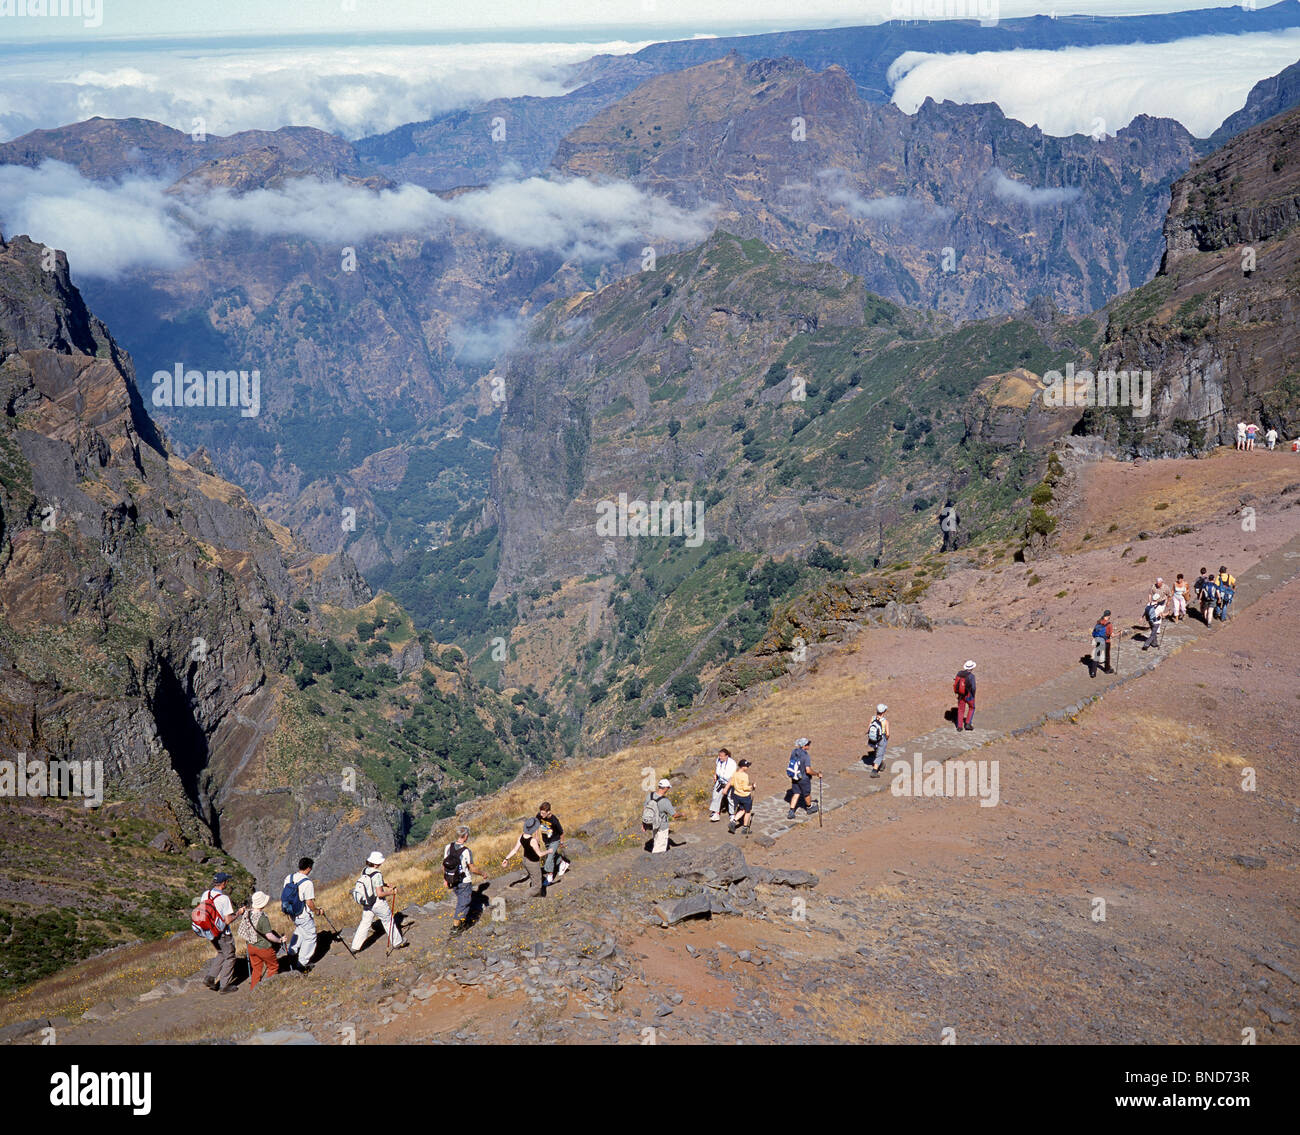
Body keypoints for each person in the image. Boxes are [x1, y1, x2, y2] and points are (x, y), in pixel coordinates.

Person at [198, 872, 245, 994]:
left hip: (209, 931)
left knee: (221, 953)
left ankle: (210, 978)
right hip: (222, 933)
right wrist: (239, 913)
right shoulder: (224, 899)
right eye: (226, 881)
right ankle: (224, 985)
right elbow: (228, 920)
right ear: (223, 883)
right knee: (230, 956)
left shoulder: (205, 894)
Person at [351, 851, 406, 952]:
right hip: (377, 903)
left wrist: (385, 884)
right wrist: (391, 892)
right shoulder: (377, 874)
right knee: (388, 921)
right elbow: (379, 893)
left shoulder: (365, 870)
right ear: (376, 863)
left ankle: (355, 946)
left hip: (368, 902)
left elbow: (370, 884)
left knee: (365, 923)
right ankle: (397, 942)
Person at [445, 826, 486, 934]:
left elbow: (445, 864)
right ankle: (456, 927)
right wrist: (482, 873)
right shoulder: (466, 851)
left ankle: (459, 921)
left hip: (452, 880)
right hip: (464, 881)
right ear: (465, 836)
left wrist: (446, 879)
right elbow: (472, 868)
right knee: (463, 903)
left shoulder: (448, 847)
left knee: (460, 900)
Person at [243, 891, 286, 989]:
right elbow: (269, 936)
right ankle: (268, 989)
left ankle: (254, 990)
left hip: (251, 946)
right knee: (273, 967)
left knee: (256, 970)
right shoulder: (262, 918)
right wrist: (280, 940)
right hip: (263, 947)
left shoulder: (248, 914)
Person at [282, 857, 318, 972]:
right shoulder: (307, 882)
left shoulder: (289, 877)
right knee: (311, 937)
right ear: (308, 868)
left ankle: (292, 952)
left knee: (300, 930)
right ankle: (302, 963)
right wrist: (317, 911)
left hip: (291, 912)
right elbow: (309, 902)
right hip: (303, 914)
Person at [501, 817, 548, 897]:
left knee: (533, 878)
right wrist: (549, 851)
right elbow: (539, 854)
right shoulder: (532, 840)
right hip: (533, 863)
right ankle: (525, 897)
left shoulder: (521, 837)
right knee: (538, 886)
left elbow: (515, 850)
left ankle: (537, 897)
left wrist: (506, 858)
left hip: (525, 860)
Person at [785, 737, 820, 819]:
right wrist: (816, 774)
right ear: (804, 746)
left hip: (794, 777)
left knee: (796, 793)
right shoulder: (805, 755)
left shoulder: (794, 752)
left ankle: (791, 811)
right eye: (808, 744)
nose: (809, 745)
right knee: (806, 793)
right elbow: (808, 770)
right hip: (803, 778)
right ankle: (809, 808)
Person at [536, 802, 569, 885]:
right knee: (553, 856)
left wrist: (561, 842)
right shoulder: (539, 816)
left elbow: (561, 832)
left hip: (554, 840)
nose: (541, 814)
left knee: (549, 858)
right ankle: (562, 862)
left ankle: (549, 877)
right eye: (541, 812)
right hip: (546, 841)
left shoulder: (554, 820)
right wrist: (537, 837)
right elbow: (536, 825)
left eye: (543, 813)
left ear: (549, 812)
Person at [642, 779, 676, 853]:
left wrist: (644, 824)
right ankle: (655, 862)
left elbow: (645, 809)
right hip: (662, 826)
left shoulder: (650, 796)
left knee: (657, 841)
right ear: (666, 788)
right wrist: (682, 814)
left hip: (653, 824)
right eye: (668, 787)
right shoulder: (665, 801)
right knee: (660, 848)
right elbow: (674, 815)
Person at [710, 747, 738, 823]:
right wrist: (715, 775)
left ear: (727, 756)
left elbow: (732, 778)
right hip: (720, 781)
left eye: (722, 756)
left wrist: (726, 788)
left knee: (730, 798)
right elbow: (717, 768)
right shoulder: (718, 760)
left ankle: (732, 815)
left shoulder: (732, 764)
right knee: (716, 796)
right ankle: (716, 813)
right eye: (719, 756)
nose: (720, 757)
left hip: (729, 783)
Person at [729, 760, 755, 835]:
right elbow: (745, 788)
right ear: (743, 767)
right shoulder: (745, 776)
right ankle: (745, 828)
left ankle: (733, 821)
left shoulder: (735, 773)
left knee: (742, 809)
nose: (748, 767)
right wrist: (752, 787)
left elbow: (732, 783)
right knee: (748, 811)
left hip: (737, 795)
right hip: (745, 796)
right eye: (747, 766)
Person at [1142, 578, 1169, 650]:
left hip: (1150, 620)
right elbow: (1162, 615)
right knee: (1153, 634)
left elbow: (1145, 611)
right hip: (1156, 622)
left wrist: (1141, 617)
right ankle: (1146, 645)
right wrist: (1168, 613)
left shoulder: (1149, 604)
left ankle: (1154, 643)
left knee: (1154, 632)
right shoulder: (1159, 607)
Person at [867, 704, 890, 778]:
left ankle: (880, 764)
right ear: (884, 712)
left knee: (877, 751)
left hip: (873, 739)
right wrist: (886, 739)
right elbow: (888, 734)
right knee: (880, 755)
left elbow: (868, 729)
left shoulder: (872, 718)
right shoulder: (885, 721)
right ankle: (874, 771)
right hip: (881, 739)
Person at [954, 661, 977, 731]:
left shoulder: (959, 674)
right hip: (969, 695)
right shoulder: (971, 676)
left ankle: (959, 726)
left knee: (960, 710)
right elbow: (973, 688)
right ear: (972, 668)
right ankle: (968, 723)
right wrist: (973, 695)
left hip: (961, 695)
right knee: (972, 707)